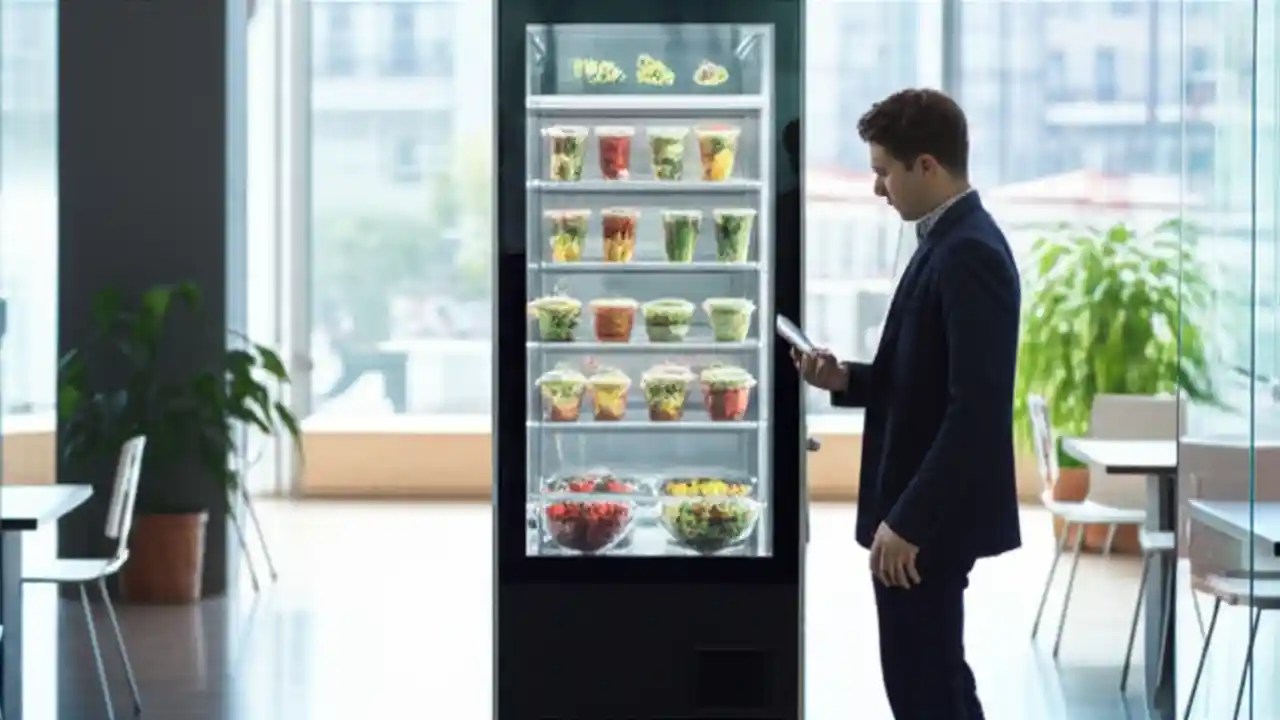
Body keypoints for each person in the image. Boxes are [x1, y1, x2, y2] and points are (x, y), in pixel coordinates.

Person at [794, 88, 1021, 719]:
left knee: (924, 686)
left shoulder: (968, 252)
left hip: (929, 525)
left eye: (883, 172)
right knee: (933, 676)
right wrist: (846, 382)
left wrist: (909, 521)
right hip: (923, 515)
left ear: (926, 165)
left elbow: (974, 409)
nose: (877, 189)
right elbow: (922, 380)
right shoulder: (945, 240)